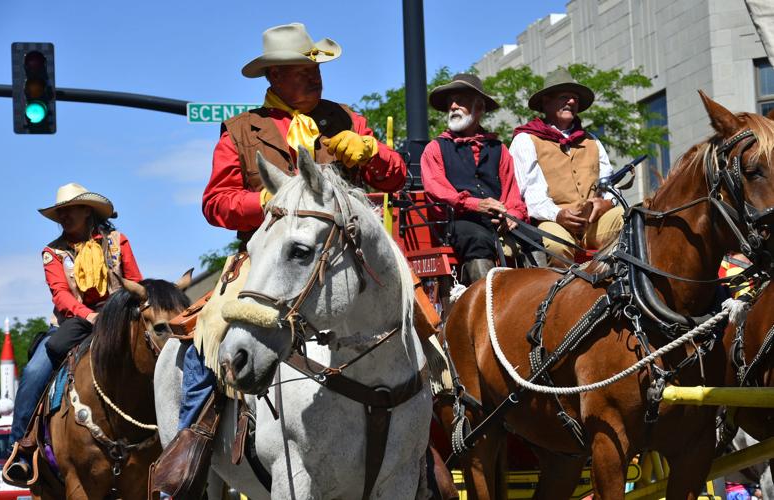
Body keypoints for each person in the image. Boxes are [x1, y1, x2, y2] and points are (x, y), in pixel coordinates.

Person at [149, 23, 407, 497]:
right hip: (268, 255)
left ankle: (429, 445)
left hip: (346, 258)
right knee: (208, 339)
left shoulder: (347, 119)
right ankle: (191, 446)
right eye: (301, 69)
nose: (314, 77)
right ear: (274, 76)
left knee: (423, 327)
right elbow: (217, 203)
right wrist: (273, 203)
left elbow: (394, 179)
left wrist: (373, 152)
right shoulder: (241, 130)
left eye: (316, 68)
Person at [6, 183, 142, 483]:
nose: (64, 216)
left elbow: (134, 280)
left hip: (120, 317)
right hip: (75, 321)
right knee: (34, 370)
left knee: (160, 353)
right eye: (60, 212)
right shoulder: (52, 253)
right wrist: (89, 315)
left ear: (87, 210)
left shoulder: (118, 242)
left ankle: (179, 437)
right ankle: (23, 447)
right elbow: (61, 297)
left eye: (70, 210)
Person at [420, 73, 528, 282]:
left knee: (534, 239)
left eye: (460, 101)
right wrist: (475, 204)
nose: (453, 106)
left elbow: (511, 192)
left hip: (499, 222)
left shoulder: (499, 149)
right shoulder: (435, 148)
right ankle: (486, 307)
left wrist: (513, 215)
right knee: (477, 239)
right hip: (457, 222)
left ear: (479, 108)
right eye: (450, 102)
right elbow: (437, 192)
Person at [511, 67, 623, 266]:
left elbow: (610, 185)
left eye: (575, 99)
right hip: (552, 221)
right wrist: (558, 215)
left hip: (593, 224)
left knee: (629, 222)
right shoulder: (526, 140)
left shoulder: (592, 141)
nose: (571, 102)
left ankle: (624, 288)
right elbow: (530, 195)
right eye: (565, 96)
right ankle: (561, 295)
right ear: (546, 102)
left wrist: (607, 203)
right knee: (556, 245)